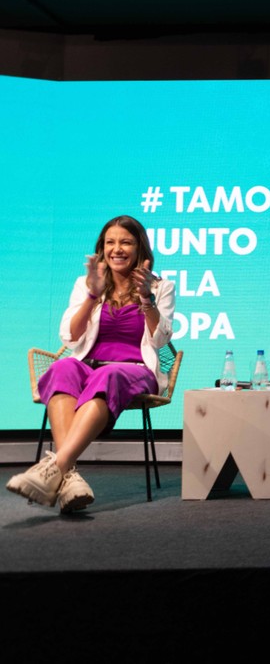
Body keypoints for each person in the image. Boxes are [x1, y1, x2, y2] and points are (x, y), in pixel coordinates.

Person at [7, 215, 175, 513]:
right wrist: (92, 295)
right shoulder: (85, 284)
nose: (117, 249)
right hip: (89, 365)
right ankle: (68, 477)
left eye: (126, 242)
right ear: (102, 249)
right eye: (110, 242)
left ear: (140, 249)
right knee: (61, 368)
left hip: (135, 371)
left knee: (108, 374)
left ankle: (54, 467)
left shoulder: (161, 287)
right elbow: (71, 338)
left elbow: (160, 341)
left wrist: (146, 298)